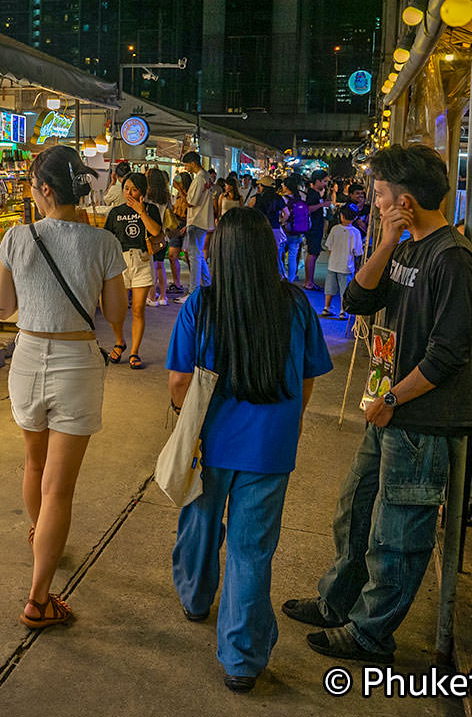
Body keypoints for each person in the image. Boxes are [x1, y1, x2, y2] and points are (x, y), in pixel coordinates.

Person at [284, 144, 472, 664]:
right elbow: (357, 301)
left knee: (397, 532)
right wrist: (387, 241)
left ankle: (370, 633)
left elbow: (449, 354)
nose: (374, 203)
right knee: (355, 511)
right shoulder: (407, 246)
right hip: (388, 407)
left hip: (421, 416)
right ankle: (337, 601)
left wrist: (393, 396)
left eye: (380, 196)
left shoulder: (451, 257)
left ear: (406, 201)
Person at [168, 207, 332, 692]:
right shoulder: (296, 304)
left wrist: (187, 417)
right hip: (270, 447)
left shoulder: (201, 305)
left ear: (219, 254)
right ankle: (240, 660)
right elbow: (307, 378)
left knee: (199, 522)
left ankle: (196, 599)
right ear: (268, 251)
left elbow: (179, 382)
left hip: (209, 443)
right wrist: (291, 424)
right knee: (251, 551)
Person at [0, 145, 125, 629]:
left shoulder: (16, 237)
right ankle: (39, 598)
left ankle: (39, 538)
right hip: (76, 363)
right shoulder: (103, 243)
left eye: (32, 186)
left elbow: (2, 308)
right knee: (60, 489)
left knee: (34, 463)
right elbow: (113, 316)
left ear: (45, 190)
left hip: (27, 358)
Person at [101, 171, 162, 369]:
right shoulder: (115, 212)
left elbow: (155, 232)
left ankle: (135, 351)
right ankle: (120, 341)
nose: (128, 193)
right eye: (126, 188)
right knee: (114, 309)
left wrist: (141, 211)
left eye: (134, 189)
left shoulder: (150, 210)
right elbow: (107, 239)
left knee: (138, 309)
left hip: (143, 260)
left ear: (142, 191)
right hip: (120, 262)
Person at [321, 206, 364, 318]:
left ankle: (326, 308)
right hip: (346, 266)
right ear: (355, 218)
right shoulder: (356, 232)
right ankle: (342, 311)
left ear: (341, 216)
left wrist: (332, 259)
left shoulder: (335, 229)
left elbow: (329, 247)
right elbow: (357, 252)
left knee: (329, 288)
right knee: (344, 290)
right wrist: (357, 266)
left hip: (333, 264)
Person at [182, 152, 215, 288]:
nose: (185, 168)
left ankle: (193, 290)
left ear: (193, 163)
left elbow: (191, 202)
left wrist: (180, 190)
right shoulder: (207, 176)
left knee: (194, 257)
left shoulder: (199, 178)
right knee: (199, 255)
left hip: (196, 220)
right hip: (203, 220)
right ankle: (207, 283)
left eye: (186, 165)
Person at [146, 168, 173, 306]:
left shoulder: (147, 198)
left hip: (151, 237)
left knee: (151, 267)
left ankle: (152, 297)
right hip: (164, 237)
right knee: (160, 266)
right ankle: (163, 297)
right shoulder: (166, 197)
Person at [303, 170, 332, 291]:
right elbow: (308, 208)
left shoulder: (317, 194)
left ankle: (309, 281)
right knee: (313, 253)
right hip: (313, 228)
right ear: (318, 181)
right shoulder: (312, 194)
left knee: (314, 253)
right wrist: (322, 205)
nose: (326, 184)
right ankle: (309, 281)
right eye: (324, 181)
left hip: (316, 227)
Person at [281, 174, 311, 284]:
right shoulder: (302, 197)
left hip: (286, 231)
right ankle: (291, 279)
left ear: (286, 186)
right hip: (299, 232)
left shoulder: (283, 198)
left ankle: (282, 276)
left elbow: (284, 214)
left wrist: (282, 224)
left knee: (280, 255)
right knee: (293, 257)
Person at [166, 172, 191, 295]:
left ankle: (194, 283)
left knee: (189, 257)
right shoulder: (177, 195)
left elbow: (191, 208)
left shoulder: (189, 195)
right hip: (177, 224)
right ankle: (177, 283)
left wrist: (187, 225)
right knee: (172, 255)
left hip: (187, 225)